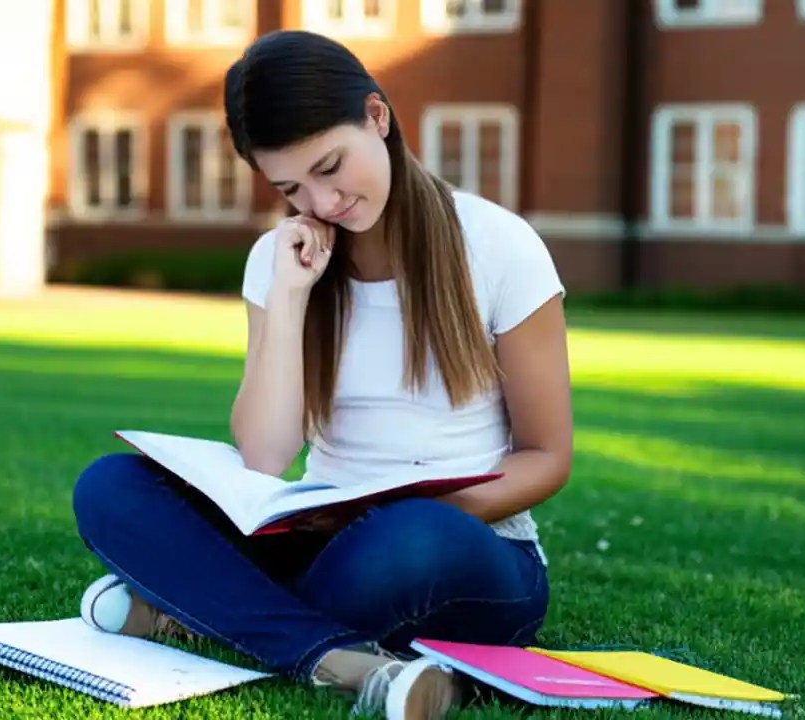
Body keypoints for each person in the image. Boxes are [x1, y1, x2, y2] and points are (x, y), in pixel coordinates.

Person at [72, 29, 573, 720]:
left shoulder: (499, 246)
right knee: (110, 487)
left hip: (467, 550)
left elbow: (548, 458)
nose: (322, 200)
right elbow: (267, 455)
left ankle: (194, 614)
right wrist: (289, 298)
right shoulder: (282, 262)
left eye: (331, 166)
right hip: (322, 539)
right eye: (291, 187)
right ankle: (341, 661)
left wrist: (399, 513)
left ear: (377, 116)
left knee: (402, 542)